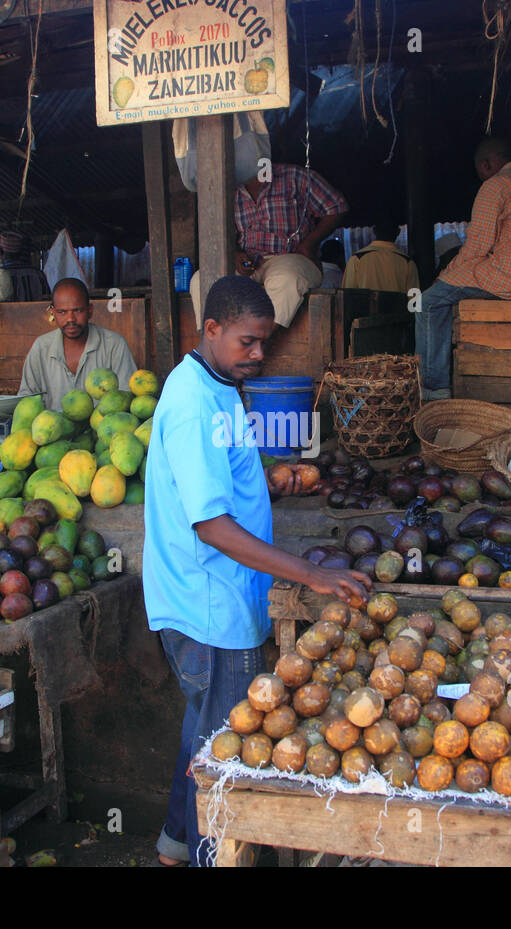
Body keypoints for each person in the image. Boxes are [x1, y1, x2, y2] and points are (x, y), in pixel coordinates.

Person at [144, 275, 371, 867]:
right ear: (211, 329)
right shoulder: (192, 403)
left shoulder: (218, 385)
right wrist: (308, 573)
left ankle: (174, 846)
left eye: (263, 342)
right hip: (209, 604)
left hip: (220, 595)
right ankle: (206, 856)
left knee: (204, 733)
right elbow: (212, 527)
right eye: (247, 341)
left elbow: (219, 482)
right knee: (225, 751)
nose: (258, 354)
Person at [416, 138, 511, 399]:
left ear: (486, 164)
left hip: (503, 278)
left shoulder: (496, 185)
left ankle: (434, 388)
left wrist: (444, 277)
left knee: (427, 302)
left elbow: (478, 245)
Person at [190, 162, 348, 329]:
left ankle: (254, 346)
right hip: (247, 263)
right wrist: (234, 253)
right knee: (202, 279)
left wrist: (309, 244)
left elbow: (336, 207)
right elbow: (218, 228)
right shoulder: (228, 186)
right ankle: (216, 346)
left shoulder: (295, 176)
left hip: (289, 257)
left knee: (286, 278)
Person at [18, 277, 138, 410]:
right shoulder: (41, 347)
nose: (70, 319)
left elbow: (127, 397)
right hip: (52, 429)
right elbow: (26, 400)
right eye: (62, 312)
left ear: (90, 310)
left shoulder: (114, 345)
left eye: (78, 311)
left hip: (103, 428)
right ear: (53, 313)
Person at [343, 221, 420, 296]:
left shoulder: (357, 259)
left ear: (374, 231)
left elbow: (348, 296)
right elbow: (413, 302)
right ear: (398, 232)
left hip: (365, 309)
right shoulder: (408, 263)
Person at [0, 230, 51, 302]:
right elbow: (47, 303)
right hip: (34, 313)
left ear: (2, 252)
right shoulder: (38, 275)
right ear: (21, 252)